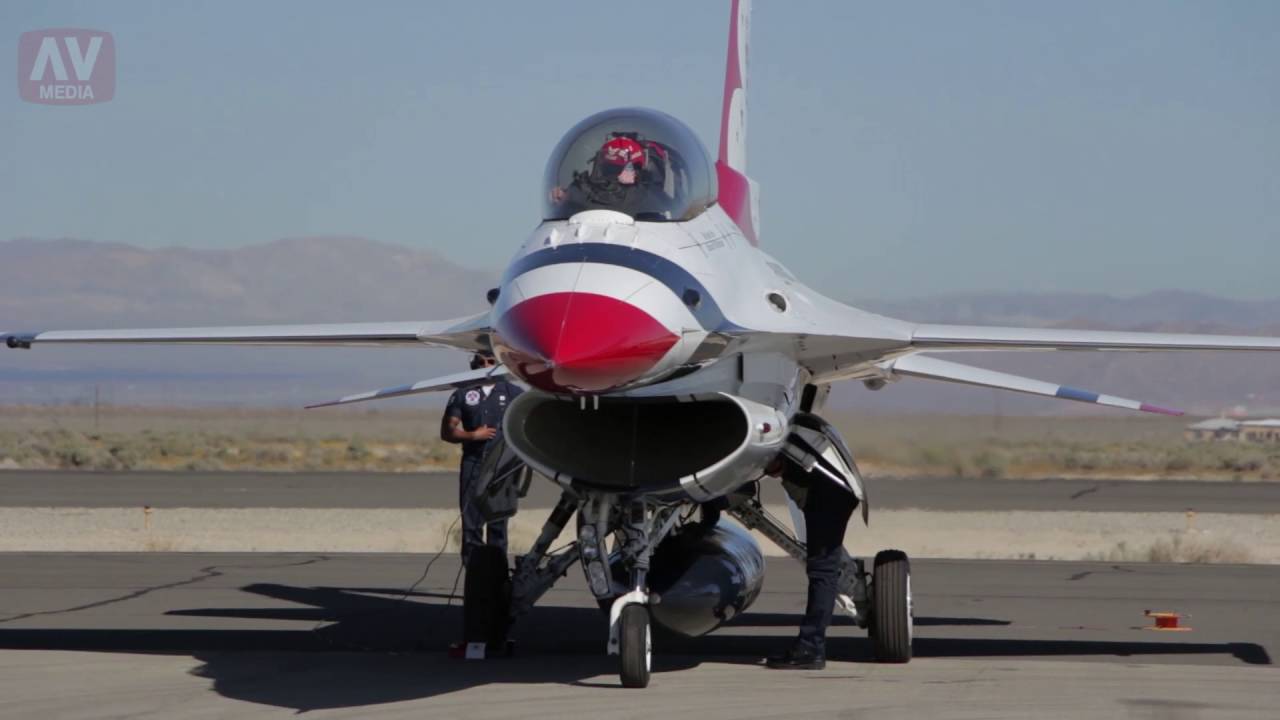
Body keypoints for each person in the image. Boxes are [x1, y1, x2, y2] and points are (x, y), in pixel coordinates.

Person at [766, 461, 860, 670]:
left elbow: (773, 464)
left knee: (822, 571)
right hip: (835, 492)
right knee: (823, 569)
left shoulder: (795, 458)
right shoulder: (805, 454)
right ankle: (811, 645)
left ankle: (811, 647)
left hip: (828, 496)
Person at [440, 352, 524, 565]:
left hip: (502, 468)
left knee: (498, 526)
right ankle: (474, 578)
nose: (486, 366)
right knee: (472, 525)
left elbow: (528, 426)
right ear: (473, 365)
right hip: (473, 464)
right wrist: (471, 435)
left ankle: (498, 577)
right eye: (480, 362)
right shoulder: (463, 394)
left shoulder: (514, 393)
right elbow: (447, 431)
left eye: (491, 362)